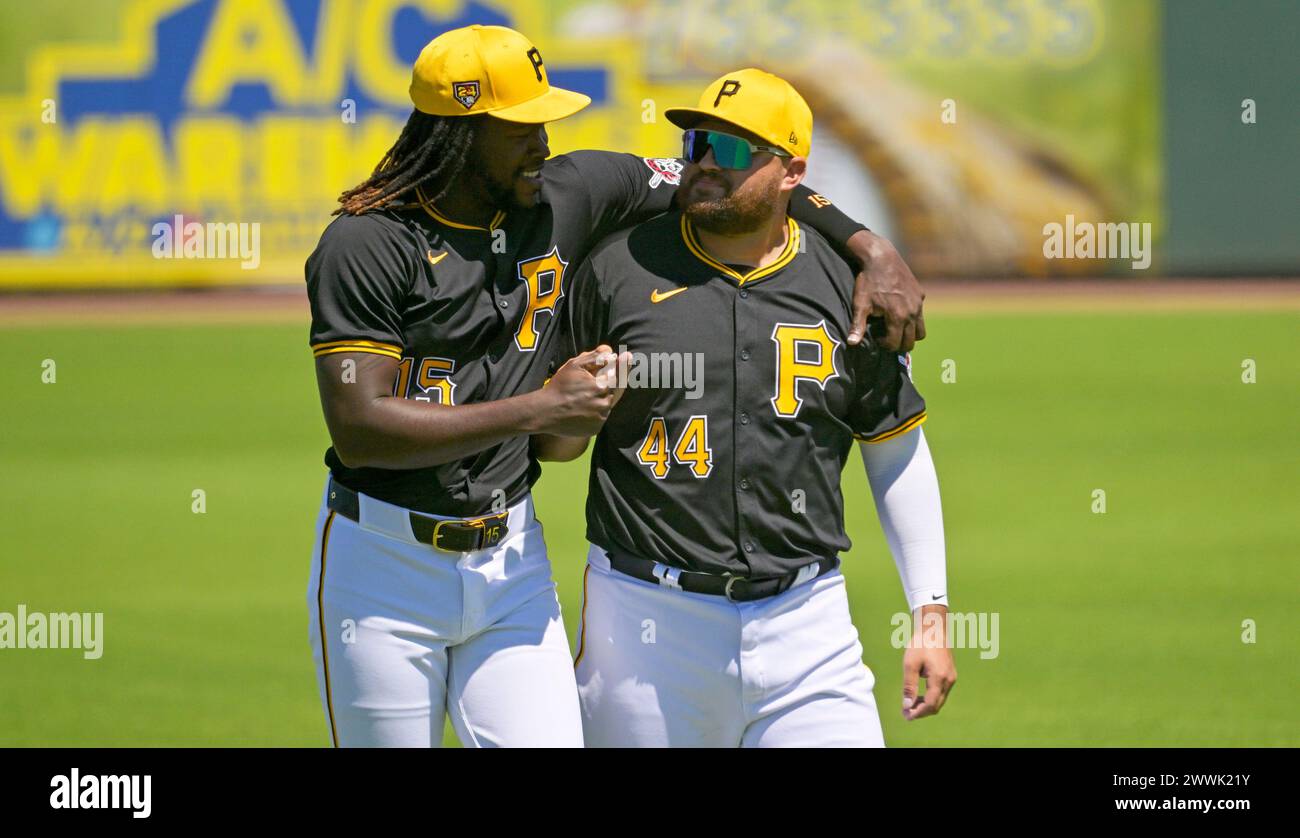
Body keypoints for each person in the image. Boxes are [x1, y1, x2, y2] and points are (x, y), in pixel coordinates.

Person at [305, 24, 926, 747]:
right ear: (459, 134)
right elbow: (360, 426)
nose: (544, 142)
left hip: (510, 559)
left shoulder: (572, 191)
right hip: (383, 565)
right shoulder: (366, 245)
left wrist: (869, 246)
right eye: (522, 127)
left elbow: (743, 172)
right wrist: (542, 408)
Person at [544, 69, 955, 747]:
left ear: (792, 172)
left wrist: (931, 615)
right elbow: (557, 449)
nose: (705, 163)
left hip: (808, 626)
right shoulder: (617, 269)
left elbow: (895, 446)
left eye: (732, 151)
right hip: (644, 629)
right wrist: (568, 415)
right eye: (698, 141)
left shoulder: (847, 288)